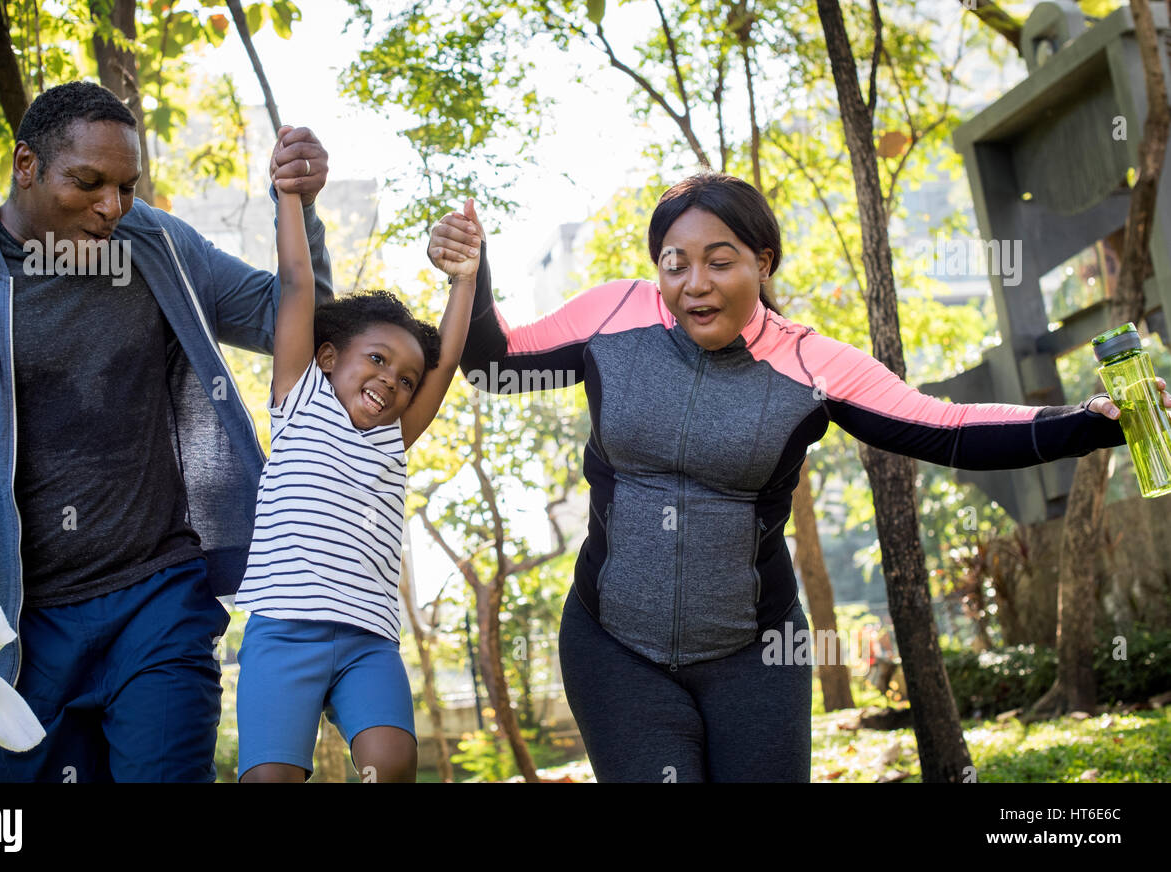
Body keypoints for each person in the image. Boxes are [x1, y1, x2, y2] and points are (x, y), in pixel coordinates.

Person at [428, 172, 1171, 783]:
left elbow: (943, 428)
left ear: (765, 262)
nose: (694, 283)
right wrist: (474, 273)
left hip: (753, 655)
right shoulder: (615, 313)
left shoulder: (809, 361)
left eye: (721, 261)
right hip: (614, 644)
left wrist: (1090, 421)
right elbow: (497, 363)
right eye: (675, 262)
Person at [0, 81, 333, 782]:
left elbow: (291, 323)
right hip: (17, 637)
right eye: (87, 183)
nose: (111, 208)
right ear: (26, 165)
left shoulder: (155, 244)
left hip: (157, 599)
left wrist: (299, 212)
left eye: (125, 186)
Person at [234, 197, 482, 783]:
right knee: (272, 778)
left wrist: (464, 280)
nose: (389, 382)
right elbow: (296, 284)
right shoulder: (299, 399)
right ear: (327, 357)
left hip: (366, 640)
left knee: (392, 762)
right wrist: (289, 196)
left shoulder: (393, 437)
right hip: (284, 631)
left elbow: (444, 364)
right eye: (376, 359)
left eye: (404, 380)